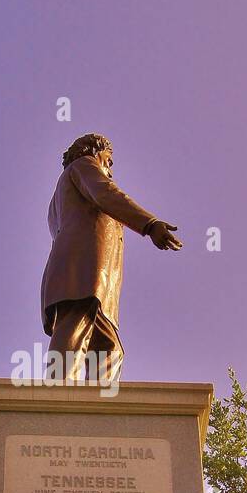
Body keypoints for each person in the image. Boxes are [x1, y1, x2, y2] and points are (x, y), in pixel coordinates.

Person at [41, 133, 181, 383]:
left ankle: (102, 409)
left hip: (94, 281)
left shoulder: (60, 196)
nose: (110, 168)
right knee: (76, 328)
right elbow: (106, 193)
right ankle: (57, 395)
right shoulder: (84, 166)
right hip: (83, 272)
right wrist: (149, 224)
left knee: (109, 347)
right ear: (95, 153)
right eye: (108, 160)